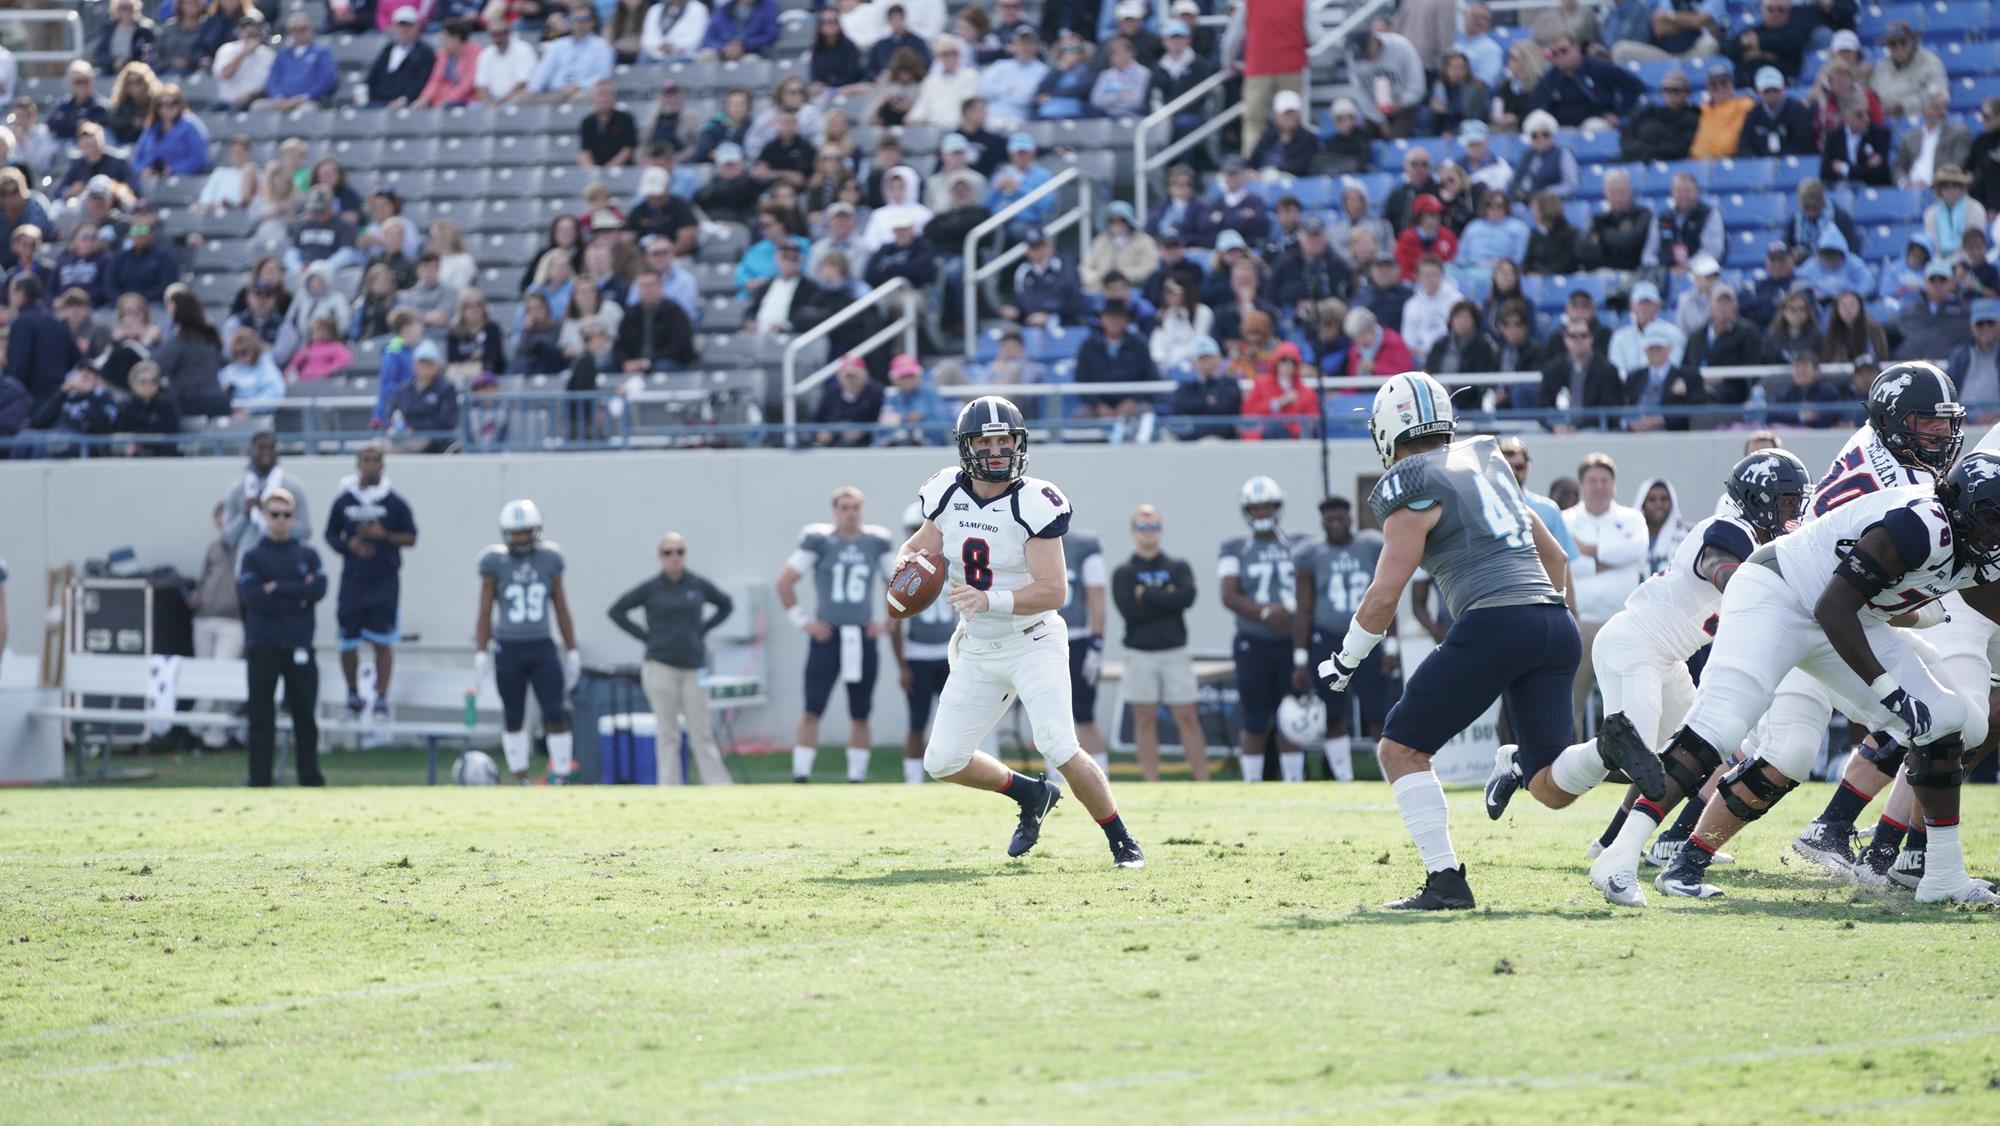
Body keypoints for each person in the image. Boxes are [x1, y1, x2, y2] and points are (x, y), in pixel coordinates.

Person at [1613, 446, 2000, 906]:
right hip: (1781, 594)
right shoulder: (1922, 522)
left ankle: (1941, 874)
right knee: (1723, 725)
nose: (1995, 531)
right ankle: (1623, 856)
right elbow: (1832, 607)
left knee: (1950, 718)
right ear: (1957, 500)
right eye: (1991, 517)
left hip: (1851, 617)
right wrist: (1891, 694)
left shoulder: (1973, 540)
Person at [1321, 373, 1582, 909]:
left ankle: (1445, 882)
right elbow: (1556, 559)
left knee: (1400, 748)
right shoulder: (1491, 466)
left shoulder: (1412, 483)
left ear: (1389, 430)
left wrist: (1345, 661)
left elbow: (1383, 596)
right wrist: (1546, 622)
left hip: (1495, 620)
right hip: (1556, 622)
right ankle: (1610, 748)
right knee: (1550, 783)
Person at [891, 396, 1144, 866]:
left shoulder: (1036, 501)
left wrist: (992, 600)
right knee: (942, 760)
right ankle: (1030, 795)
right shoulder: (945, 490)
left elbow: (1053, 591)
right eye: (985, 441)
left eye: (1004, 439)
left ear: (1019, 442)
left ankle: (1122, 840)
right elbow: (919, 546)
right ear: (966, 447)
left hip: (1033, 640)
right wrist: (907, 567)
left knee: (1058, 743)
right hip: (979, 647)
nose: (997, 450)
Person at [1562, 451, 1810, 904]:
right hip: (1635, 644)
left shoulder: (1757, 541)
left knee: (1696, 762)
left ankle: (1613, 845)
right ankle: (1524, 768)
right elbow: (1719, 566)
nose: (1793, 514)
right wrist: (1753, 593)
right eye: (1788, 503)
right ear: (1758, 499)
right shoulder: (1728, 529)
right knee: (1633, 758)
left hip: (1669, 659)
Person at [775, 487, 893, 784]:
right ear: (834, 511)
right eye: (844, 507)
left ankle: (857, 777)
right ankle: (800, 775)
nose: (850, 512)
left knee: (861, 711)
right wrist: (803, 621)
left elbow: (899, 584)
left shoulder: (876, 542)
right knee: (812, 707)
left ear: (862, 510)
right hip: (827, 636)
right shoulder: (819, 541)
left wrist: (887, 622)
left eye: (855, 507)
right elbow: (784, 582)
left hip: (862, 636)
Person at [608, 532, 735, 785]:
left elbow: (726, 604)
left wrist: (704, 629)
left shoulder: (696, 584)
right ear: (660, 556)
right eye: (668, 552)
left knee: (701, 730)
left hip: (693, 665)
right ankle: (670, 785)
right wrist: (646, 637)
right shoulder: (651, 588)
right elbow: (617, 611)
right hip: (660, 665)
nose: (674, 557)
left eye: (679, 552)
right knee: (668, 732)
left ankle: (717, 785)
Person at [474, 500, 583, 784]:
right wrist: (481, 650)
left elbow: (561, 607)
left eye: (525, 532)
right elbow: (485, 609)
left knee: (555, 710)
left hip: (541, 644)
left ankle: (561, 772)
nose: (521, 538)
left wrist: (572, 650)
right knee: (513, 713)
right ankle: (520, 776)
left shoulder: (550, 558)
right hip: (508, 647)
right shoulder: (494, 561)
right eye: (516, 533)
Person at [1289, 497, 1390, 782]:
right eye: (1329, 519)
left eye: (1340, 518)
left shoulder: (1370, 546)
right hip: (1328, 638)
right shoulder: (1310, 553)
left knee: (1377, 712)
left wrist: (1390, 646)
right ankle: (1344, 777)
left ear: (1350, 518)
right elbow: (1304, 608)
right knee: (1333, 712)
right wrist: (1300, 658)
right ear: (1322, 522)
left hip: (1367, 635)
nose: (1335, 524)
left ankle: (1388, 774)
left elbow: (1388, 595)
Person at [234, 488, 328, 788]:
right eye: (274, 514)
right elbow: (254, 598)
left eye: (287, 515)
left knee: (304, 716)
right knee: (261, 717)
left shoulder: (307, 554)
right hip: (264, 646)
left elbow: (318, 591)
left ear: (294, 518)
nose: (281, 521)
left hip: (300, 645)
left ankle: (309, 777)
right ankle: (259, 779)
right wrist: (297, 594)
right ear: (263, 516)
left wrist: (277, 588)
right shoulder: (253, 557)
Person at [1217, 476, 1305, 782]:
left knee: (1292, 717)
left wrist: (1290, 608)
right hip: (1253, 641)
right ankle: (1251, 784)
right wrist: (1266, 612)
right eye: (1255, 508)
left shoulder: (1298, 543)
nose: (1261, 513)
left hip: (1290, 641)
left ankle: (1294, 782)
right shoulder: (1234, 547)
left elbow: (1311, 585)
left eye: (1266, 506)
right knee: (1254, 720)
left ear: (1277, 507)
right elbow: (1228, 594)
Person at [323, 443, 418, 723]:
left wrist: (383, 535)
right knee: (347, 641)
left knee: (382, 642)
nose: (370, 465)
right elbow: (330, 535)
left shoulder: (393, 502)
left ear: (383, 465)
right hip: (353, 580)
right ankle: (352, 696)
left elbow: (411, 537)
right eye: (365, 459)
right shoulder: (344, 501)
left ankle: (380, 699)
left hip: (384, 580)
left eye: (376, 460)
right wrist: (348, 545)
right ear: (357, 463)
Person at [1111, 504, 1204, 782]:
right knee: (1144, 718)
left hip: (1175, 651)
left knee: (1187, 716)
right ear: (1133, 532)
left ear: (1161, 530)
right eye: (1142, 527)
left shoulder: (1177, 566)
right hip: (1140, 653)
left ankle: (1204, 781)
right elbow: (1130, 611)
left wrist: (1147, 594)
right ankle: (1151, 782)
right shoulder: (1124, 572)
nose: (1148, 532)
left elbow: (1186, 599)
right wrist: (1166, 596)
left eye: (1153, 526)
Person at [1563, 452, 1648, 735]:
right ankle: (1565, 771)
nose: (1598, 486)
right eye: (1592, 480)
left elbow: (1637, 550)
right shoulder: (1565, 520)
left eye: (1604, 480)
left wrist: (1588, 550)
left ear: (1613, 485)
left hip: (1622, 622)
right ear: (1582, 485)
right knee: (1569, 700)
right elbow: (1568, 564)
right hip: (1580, 622)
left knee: (1626, 702)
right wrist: (1611, 557)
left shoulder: (1632, 517)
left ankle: (1625, 766)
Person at [886, 503, 957, 785]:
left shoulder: (955, 562)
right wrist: (901, 665)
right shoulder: (904, 568)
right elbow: (893, 622)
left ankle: (956, 778)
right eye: (914, 531)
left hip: (949, 652)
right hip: (917, 655)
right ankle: (913, 780)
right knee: (917, 722)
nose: (919, 535)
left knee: (955, 723)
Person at [262, 14, 337, 109]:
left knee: (306, 110)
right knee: (258, 107)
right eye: (293, 30)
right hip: (281, 101)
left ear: (311, 30)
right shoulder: (282, 55)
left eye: (303, 29)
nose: (298, 33)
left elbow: (327, 79)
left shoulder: (322, 52)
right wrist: (278, 97)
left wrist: (306, 97)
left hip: (309, 101)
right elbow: (272, 80)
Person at [1820, 96, 1893, 187]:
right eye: (1859, 115)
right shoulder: (1833, 137)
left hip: (1871, 190)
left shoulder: (1880, 135)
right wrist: (1865, 169)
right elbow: (1825, 174)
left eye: (1868, 113)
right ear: (1846, 116)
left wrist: (1845, 168)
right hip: (1841, 189)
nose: (1866, 119)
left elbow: (1881, 174)